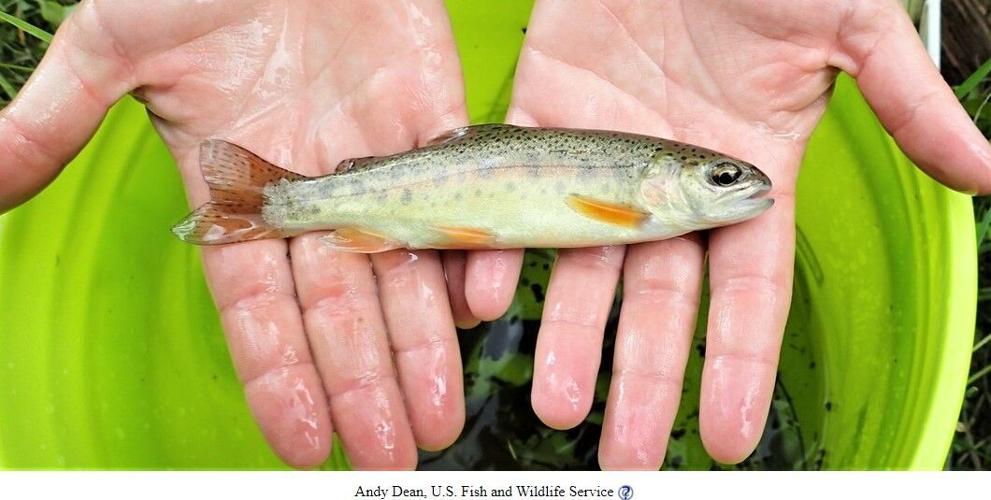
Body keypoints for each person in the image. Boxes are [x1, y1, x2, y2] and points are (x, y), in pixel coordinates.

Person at [0, 0, 988, 470]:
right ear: (667, 182)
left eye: (727, 177)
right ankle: (272, 202)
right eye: (722, 179)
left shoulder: (644, 191)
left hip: (442, 197)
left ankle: (271, 204)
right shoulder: (634, 198)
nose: (740, 187)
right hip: (427, 194)